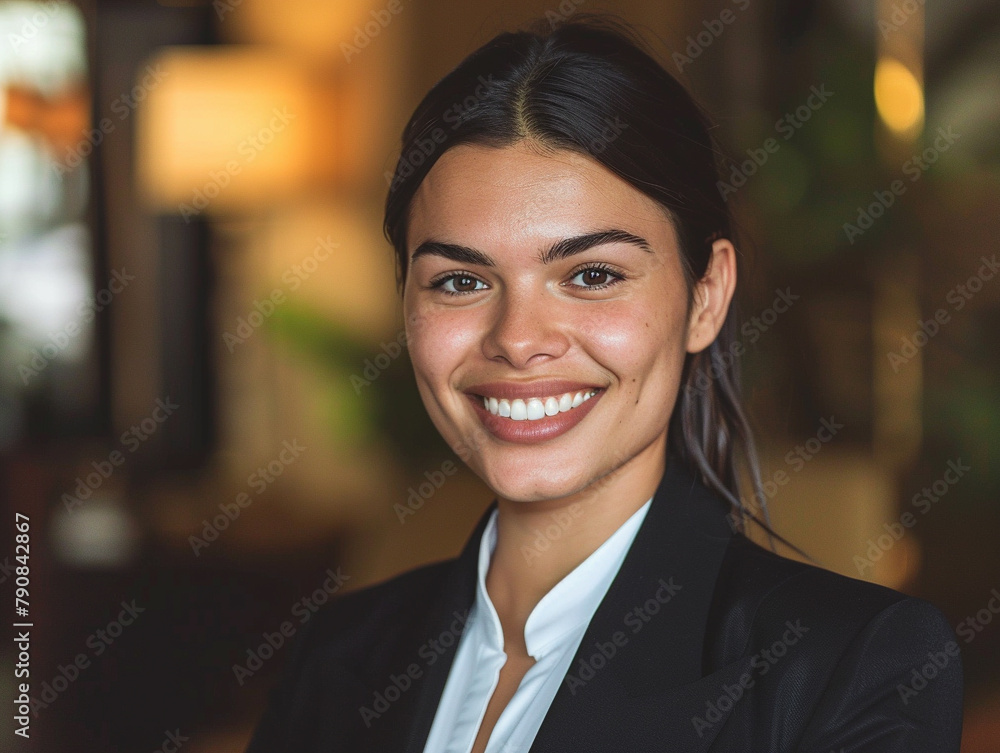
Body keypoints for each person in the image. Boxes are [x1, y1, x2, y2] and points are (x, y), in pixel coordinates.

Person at [244, 14, 963, 753]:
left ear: (706, 296)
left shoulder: (846, 669)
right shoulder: (339, 655)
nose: (519, 339)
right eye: (460, 280)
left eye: (592, 275)